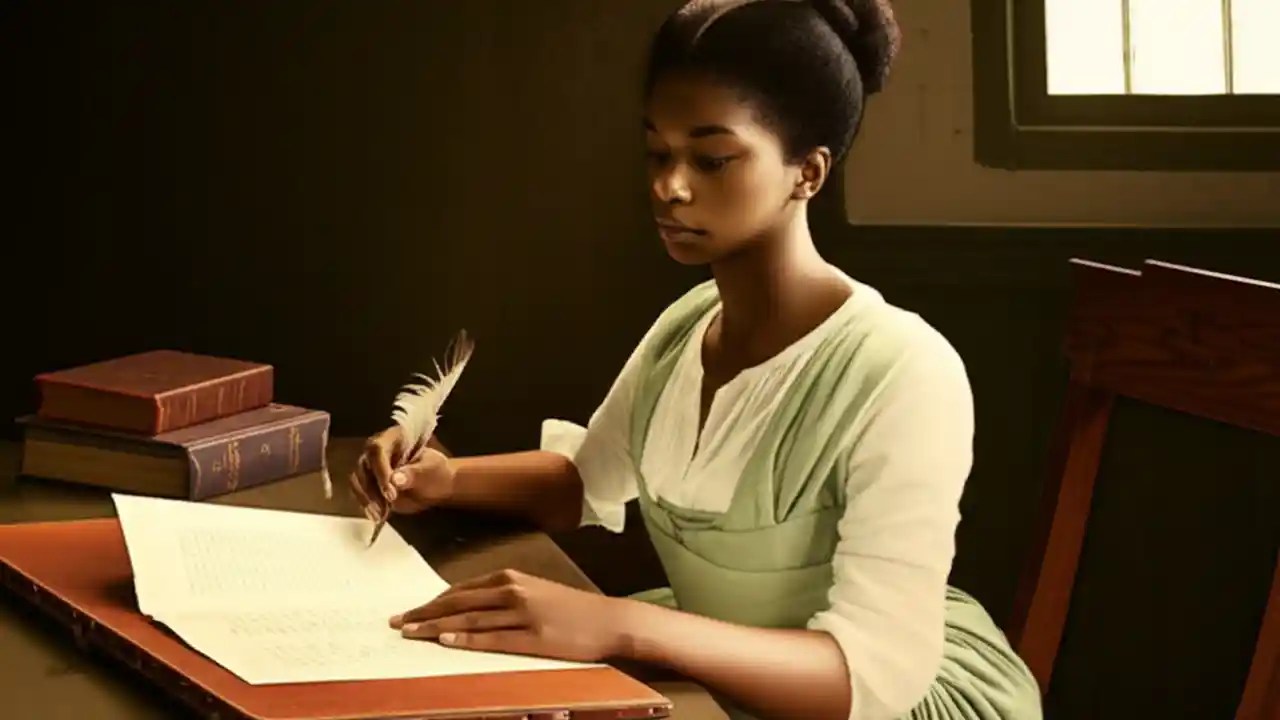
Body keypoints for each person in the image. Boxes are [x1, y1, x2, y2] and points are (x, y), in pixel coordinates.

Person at [350, 1, 1043, 719]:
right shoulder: (689, 325)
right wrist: (444, 478)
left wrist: (619, 626)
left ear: (807, 171)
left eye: (712, 159)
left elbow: (866, 677)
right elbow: (587, 479)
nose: (668, 188)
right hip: (721, 675)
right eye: (658, 151)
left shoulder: (904, 371)